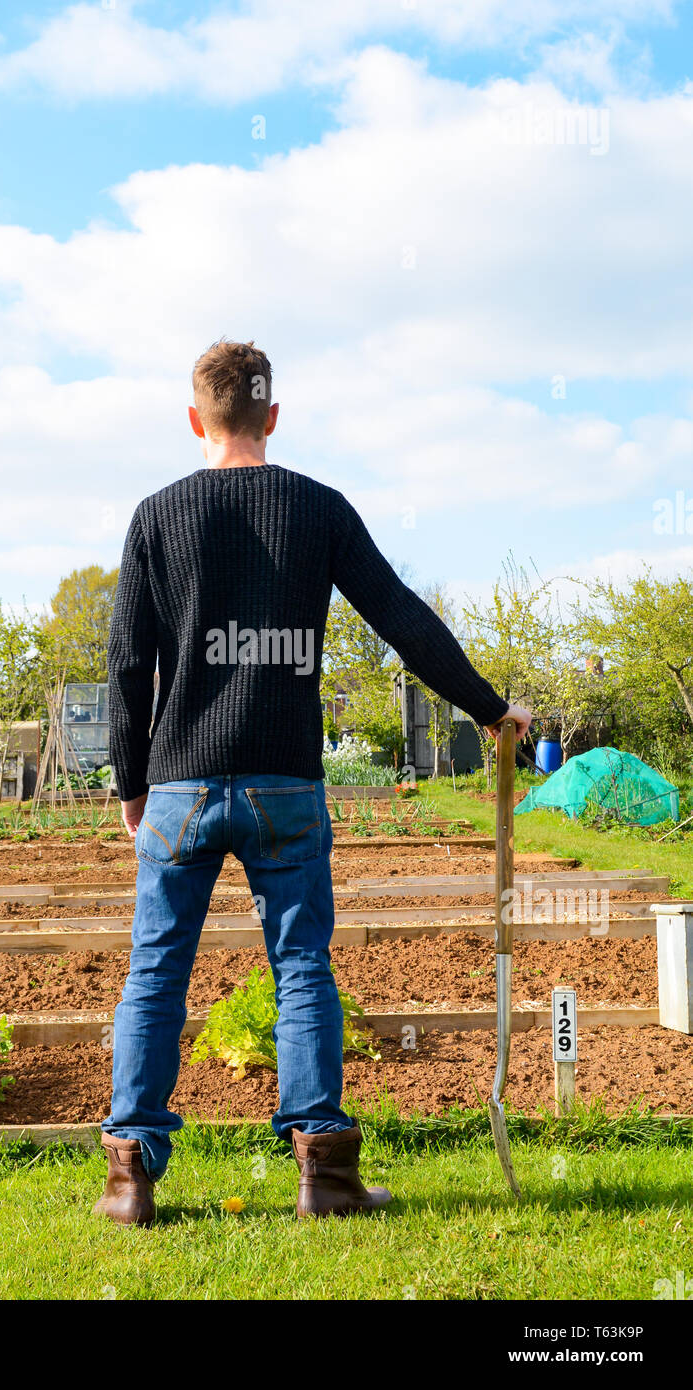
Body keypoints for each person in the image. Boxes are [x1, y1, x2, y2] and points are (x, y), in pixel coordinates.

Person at [95, 339, 532, 1225]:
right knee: (300, 968)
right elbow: (405, 618)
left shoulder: (155, 514)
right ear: (273, 415)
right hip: (284, 787)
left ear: (195, 419)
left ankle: (129, 1180)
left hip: (178, 786)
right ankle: (324, 1175)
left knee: (153, 973)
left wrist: (131, 782)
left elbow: (127, 661)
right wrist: (489, 710)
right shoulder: (317, 507)